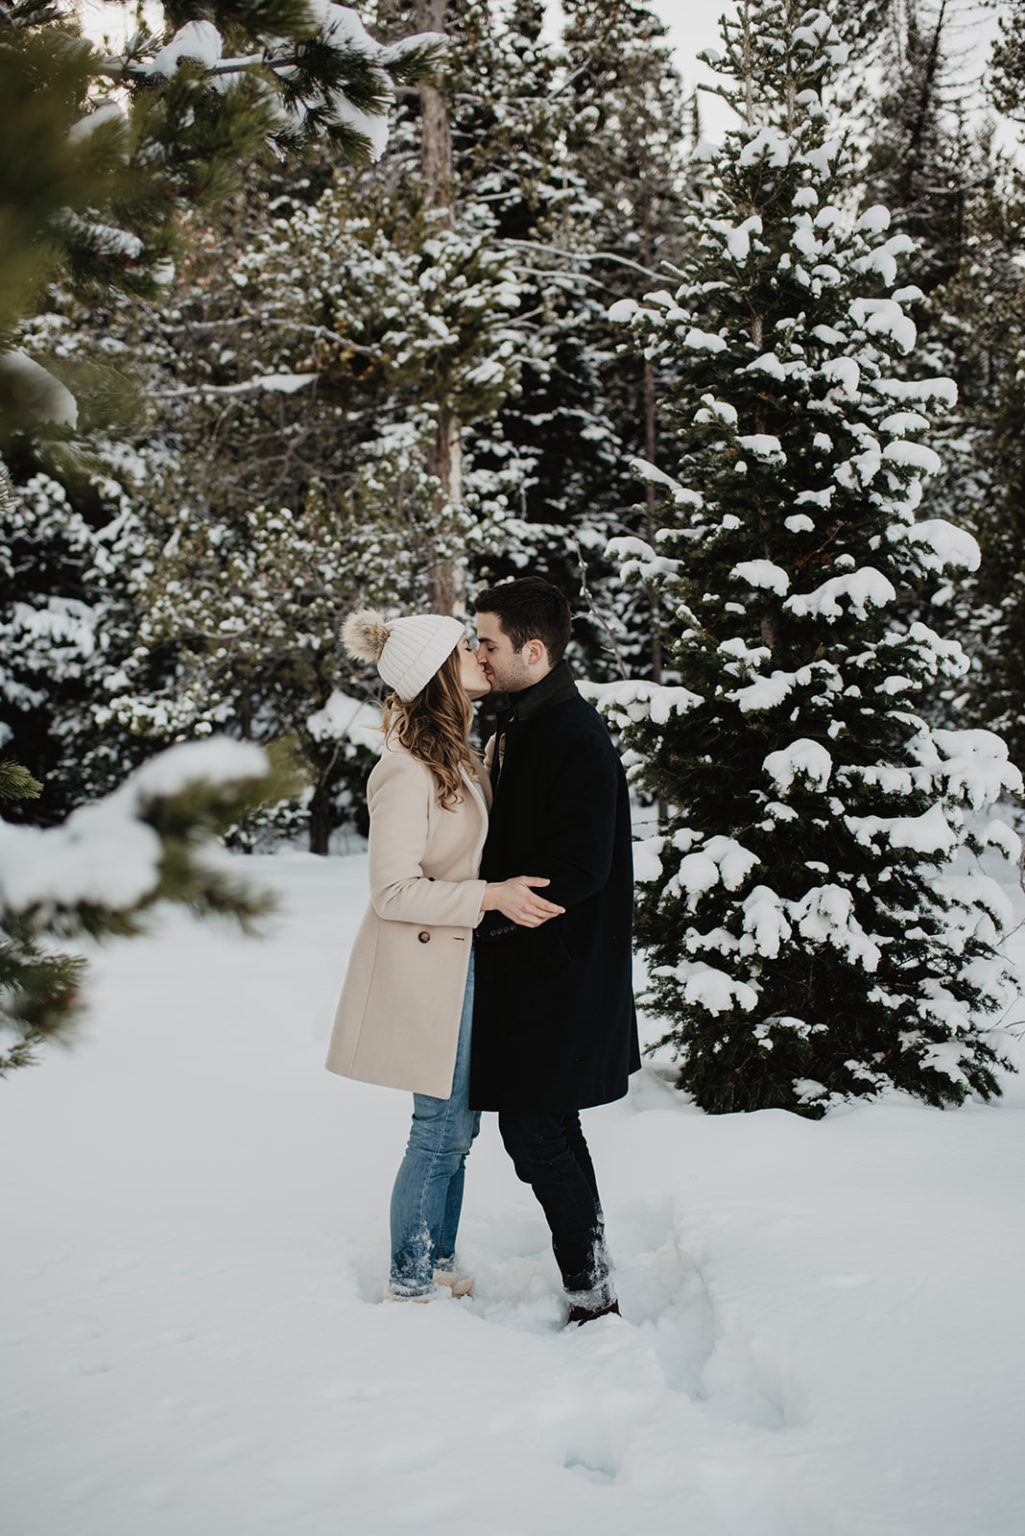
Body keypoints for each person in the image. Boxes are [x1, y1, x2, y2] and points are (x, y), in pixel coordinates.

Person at [325, 608, 563, 1302]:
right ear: (437, 673)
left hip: (461, 966)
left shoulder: (456, 755)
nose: (479, 654)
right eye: (464, 648)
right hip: (426, 969)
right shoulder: (404, 770)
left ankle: (439, 1261)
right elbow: (393, 891)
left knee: (458, 1126)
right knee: (437, 1128)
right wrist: (489, 897)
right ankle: (411, 1277)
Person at [471, 576, 640, 1326]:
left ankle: (590, 1292)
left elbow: (580, 867)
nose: (478, 653)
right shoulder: (519, 721)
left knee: (534, 1132)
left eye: (488, 643)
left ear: (532, 651)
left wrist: (495, 915)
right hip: (533, 972)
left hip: (557, 973)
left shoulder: (572, 733)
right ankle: (590, 1276)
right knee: (550, 1128)